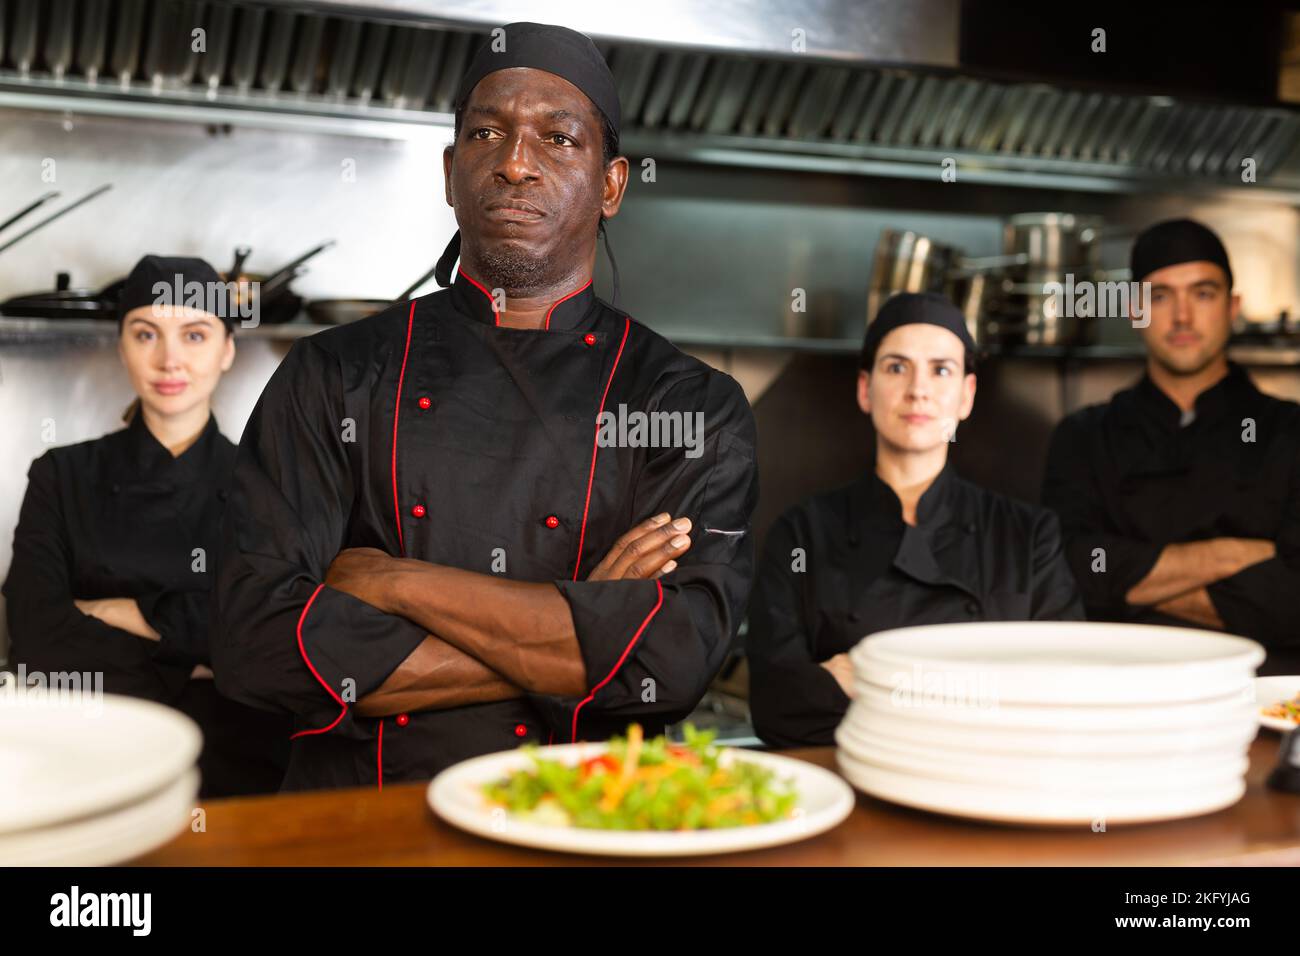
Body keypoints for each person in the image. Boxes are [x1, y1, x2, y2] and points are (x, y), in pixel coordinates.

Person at [211, 22, 759, 791]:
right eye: (486, 133)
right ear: (449, 170)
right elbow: (256, 644)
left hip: (581, 827)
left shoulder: (689, 405)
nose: (513, 163)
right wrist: (586, 626)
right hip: (363, 835)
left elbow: (667, 662)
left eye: (558, 139)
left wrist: (398, 584)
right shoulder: (332, 374)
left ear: (612, 184)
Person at [4, 255, 290, 796]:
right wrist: (197, 652)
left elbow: (273, 643)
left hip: (237, 767)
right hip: (87, 764)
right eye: (145, 334)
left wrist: (129, 613)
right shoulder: (61, 475)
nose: (169, 360)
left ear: (228, 350)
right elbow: (35, 642)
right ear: (121, 345)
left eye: (195, 335)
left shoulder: (268, 486)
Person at [746, 292, 1084, 748]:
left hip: (991, 789)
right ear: (865, 390)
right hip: (853, 796)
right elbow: (775, 707)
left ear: (966, 396)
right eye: (896, 367)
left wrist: (864, 677)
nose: (918, 389)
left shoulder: (1027, 536)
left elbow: (1063, 695)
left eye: (941, 369)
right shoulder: (802, 533)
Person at [1042, 218, 1300, 675]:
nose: (1182, 316)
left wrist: (1128, 594)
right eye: (1159, 296)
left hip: (1263, 699)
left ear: (1232, 306)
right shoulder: (1084, 436)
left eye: (1203, 293)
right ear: (1133, 310)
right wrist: (1230, 556)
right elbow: (1065, 572)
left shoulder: (1290, 431)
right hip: (1115, 691)